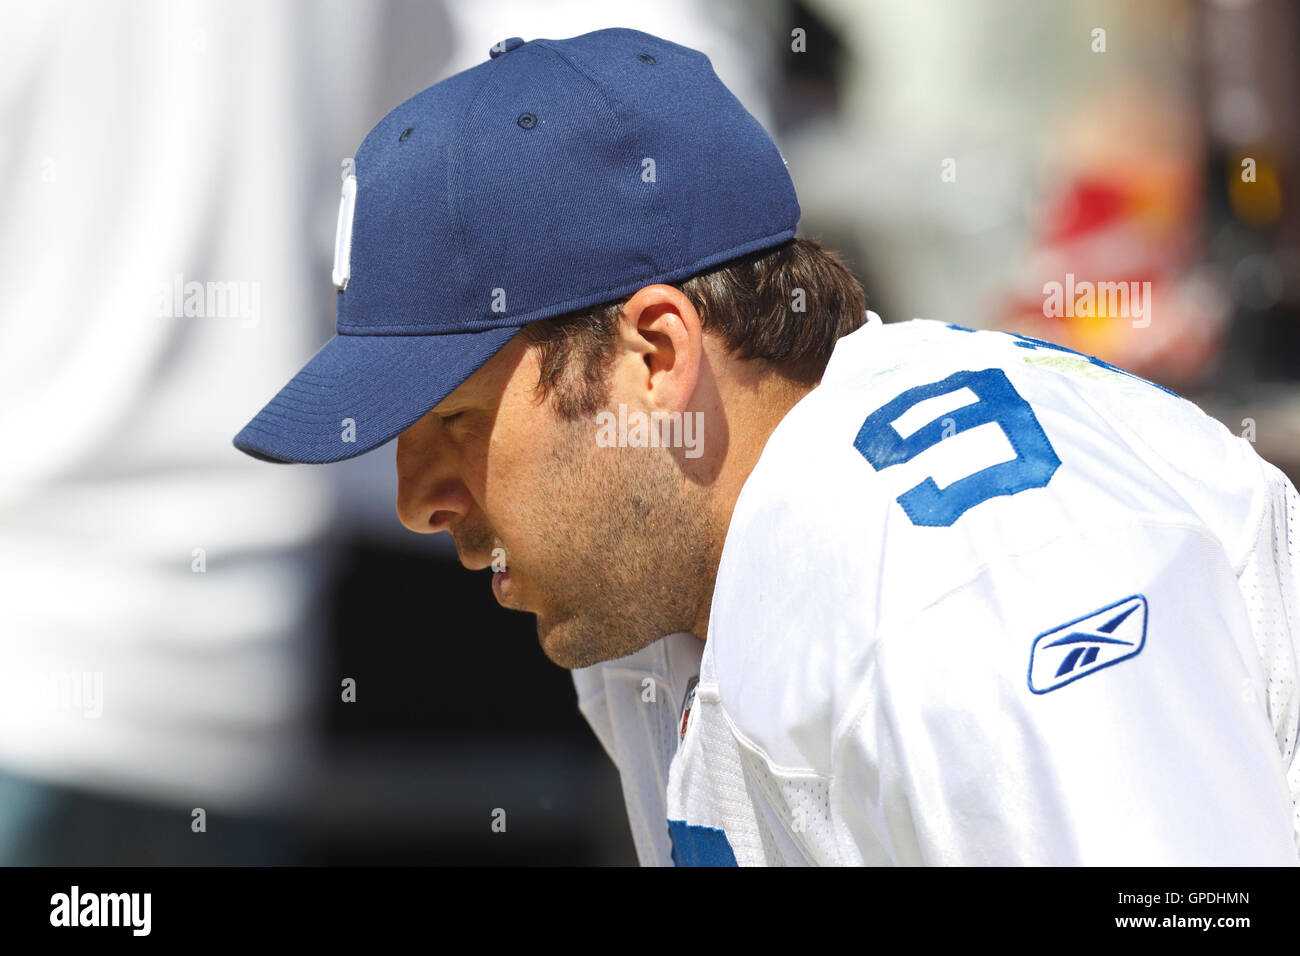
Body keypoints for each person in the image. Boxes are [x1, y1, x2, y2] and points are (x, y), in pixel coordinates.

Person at [234, 27, 1300, 866]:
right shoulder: (663, 593)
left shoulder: (972, 587)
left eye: (454, 419)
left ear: (656, 355)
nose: (416, 498)